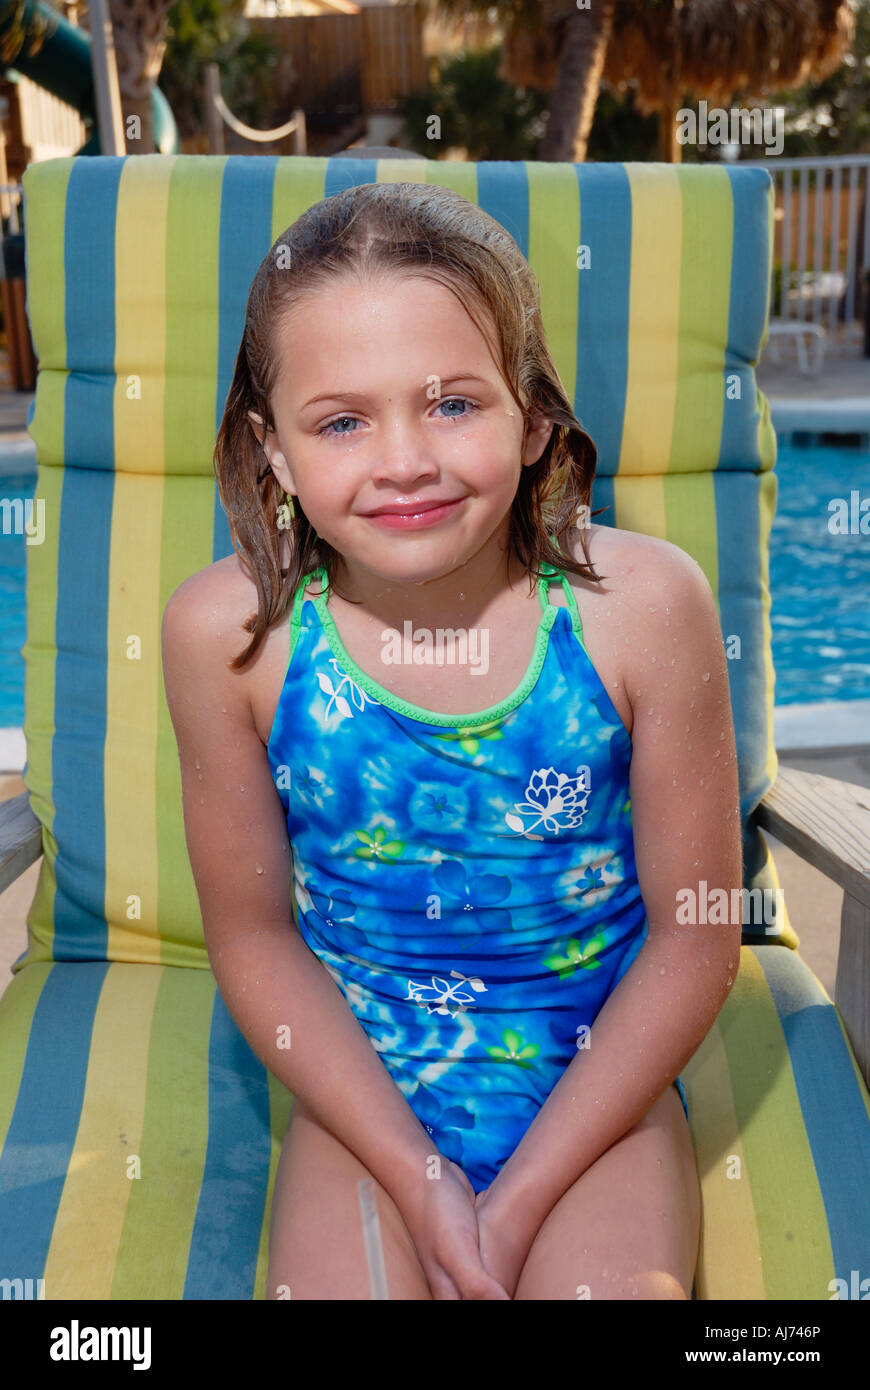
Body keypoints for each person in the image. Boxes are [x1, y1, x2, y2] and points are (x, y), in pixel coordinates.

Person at [162, 180, 742, 1301]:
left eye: (453, 405)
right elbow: (254, 941)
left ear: (532, 417)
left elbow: (695, 936)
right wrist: (419, 1172)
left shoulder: (643, 608)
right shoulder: (231, 637)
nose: (405, 460)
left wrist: (520, 1196)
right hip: (364, 1105)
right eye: (341, 421)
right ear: (269, 450)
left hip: (599, 1099)